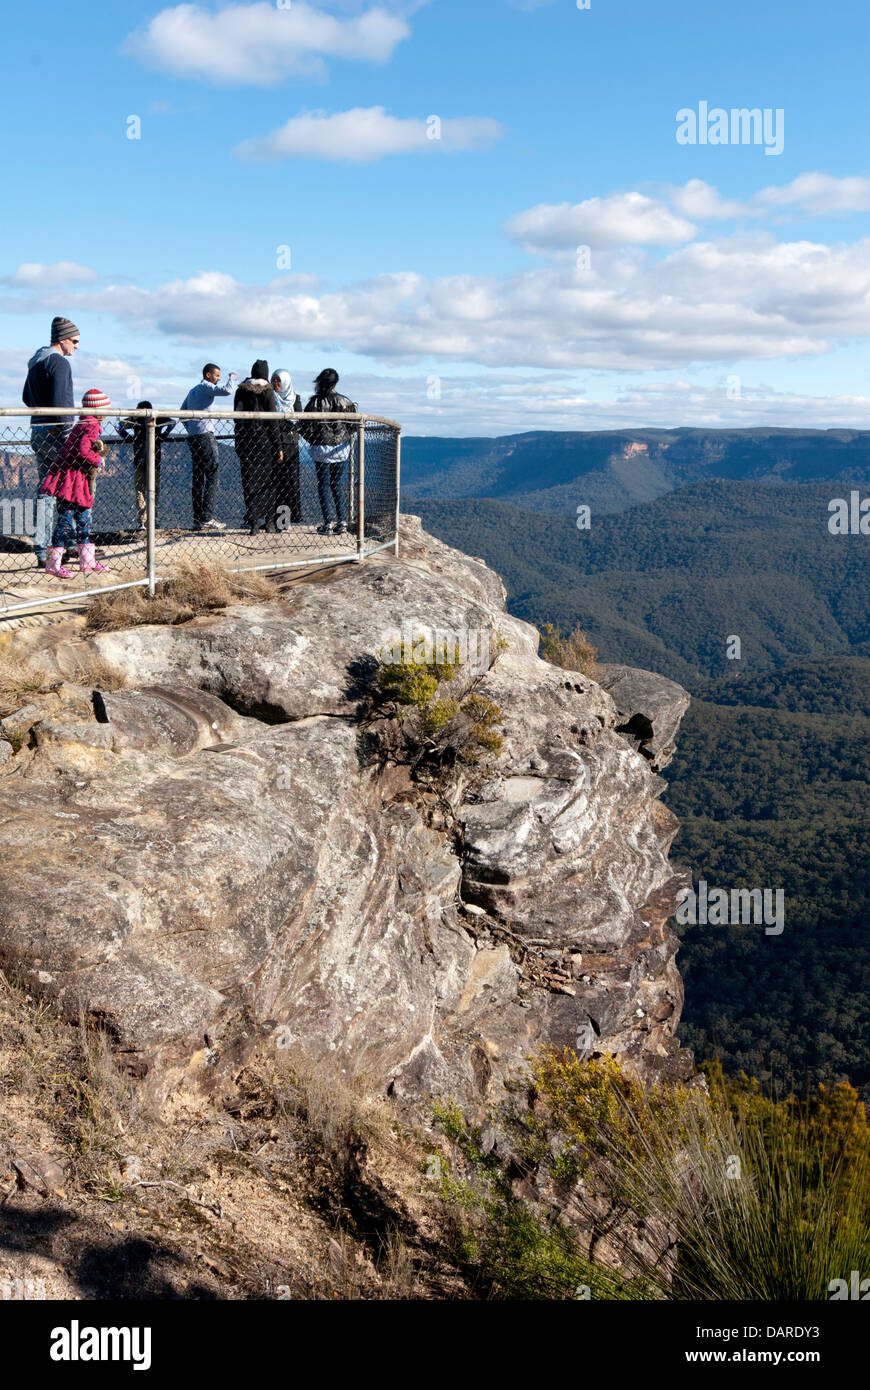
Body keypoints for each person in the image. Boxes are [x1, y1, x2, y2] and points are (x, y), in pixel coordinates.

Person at [22, 316, 79, 567]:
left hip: (38, 431)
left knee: (46, 491)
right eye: (75, 341)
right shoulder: (59, 363)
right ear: (63, 339)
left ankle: (42, 550)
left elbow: (26, 397)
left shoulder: (36, 362)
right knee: (72, 489)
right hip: (58, 435)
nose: (76, 346)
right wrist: (68, 435)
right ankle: (71, 545)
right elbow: (62, 404)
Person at [39, 388, 111, 579]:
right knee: (66, 520)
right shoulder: (91, 425)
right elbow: (82, 450)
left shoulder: (84, 422)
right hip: (72, 480)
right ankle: (53, 565)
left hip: (74, 479)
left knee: (82, 518)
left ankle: (87, 562)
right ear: (98, 409)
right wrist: (98, 459)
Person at [299, 368, 357, 535]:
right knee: (337, 485)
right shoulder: (345, 402)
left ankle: (328, 522)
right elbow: (352, 426)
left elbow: (304, 426)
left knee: (323, 485)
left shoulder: (314, 403)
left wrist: (313, 439)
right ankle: (342, 521)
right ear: (335, 382)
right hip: (341, 448)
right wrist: (343, 436)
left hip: (320, 449)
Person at [180, 364, 237, 531]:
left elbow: (182, 410)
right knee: (212, 474)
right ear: (208, 375)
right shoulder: (206, 387)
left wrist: (191, 428)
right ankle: (207, 517)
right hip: (205, 435)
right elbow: (227, 391)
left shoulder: (193, 390)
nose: (218, 378)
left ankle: (198, 518)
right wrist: (232, 377)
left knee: (198, 477)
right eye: (216, 375)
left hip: (193, 437)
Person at [233, 360, 282, 533]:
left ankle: (253, 522)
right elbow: (273, 421)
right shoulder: (267, 391)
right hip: (265, 443)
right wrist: (278, 447)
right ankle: (269, 522)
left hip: (246, 440)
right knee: (268, 483)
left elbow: (237, 418)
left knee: (249, 481)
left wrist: (238, 441)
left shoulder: (241, 390)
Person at [118, 403, 176, 531]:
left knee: (140, 491)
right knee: (154, 491)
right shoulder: (157, 417)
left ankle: (142, 522)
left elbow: (120, 426)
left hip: (139, 459)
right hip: (154, 459)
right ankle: (153, 519)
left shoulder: (135, 418)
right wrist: (163, 435)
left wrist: (129, 438)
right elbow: (172, 422)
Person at [271, 369, 303, 527]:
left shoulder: (295, 399)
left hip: (290, 446)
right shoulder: (270, 398)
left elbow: (298, 420)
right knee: (275, 483)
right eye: (274, 380)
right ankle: (276, 520)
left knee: (290, 483)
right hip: (274, 445)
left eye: (279, 380)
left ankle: (285, 520)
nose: (276, 384)